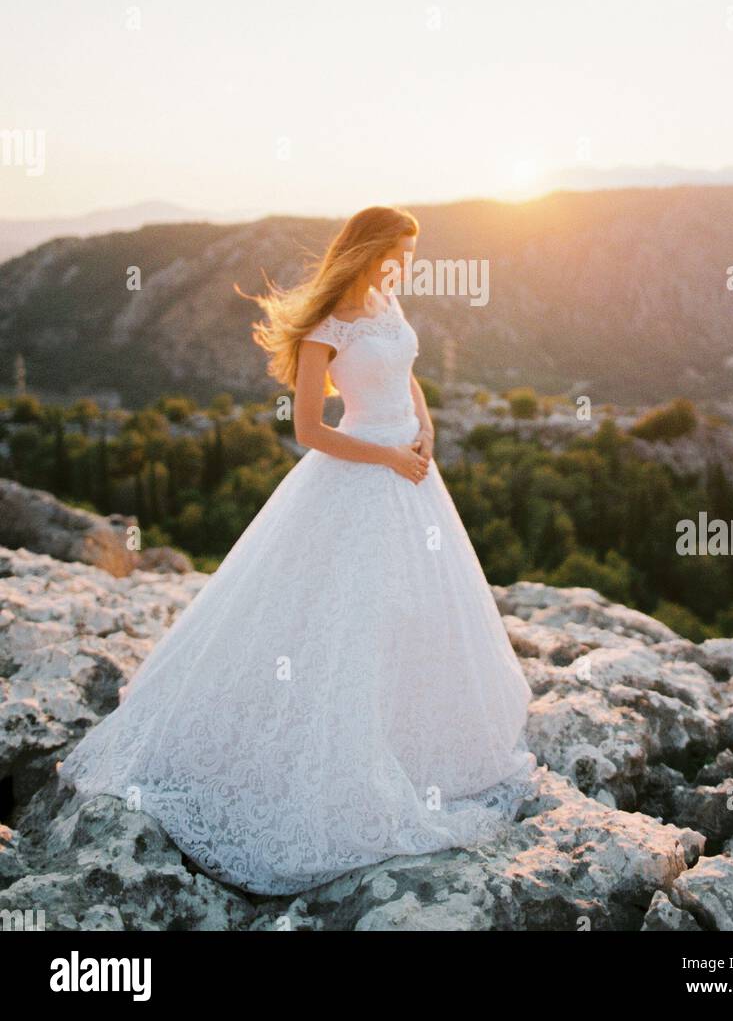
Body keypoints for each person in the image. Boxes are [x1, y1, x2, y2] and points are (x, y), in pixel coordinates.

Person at [58, 205, 535, 895]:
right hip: (359, 472)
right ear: (368, 248)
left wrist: (425, 431)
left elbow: (406, 374)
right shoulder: (325, 326)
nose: (403, 262)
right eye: (396, 250)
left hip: (410, 469)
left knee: (415, 610)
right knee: (342, 612)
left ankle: (420, 742)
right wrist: (386, 455)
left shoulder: (386, 300)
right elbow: (311, 428)